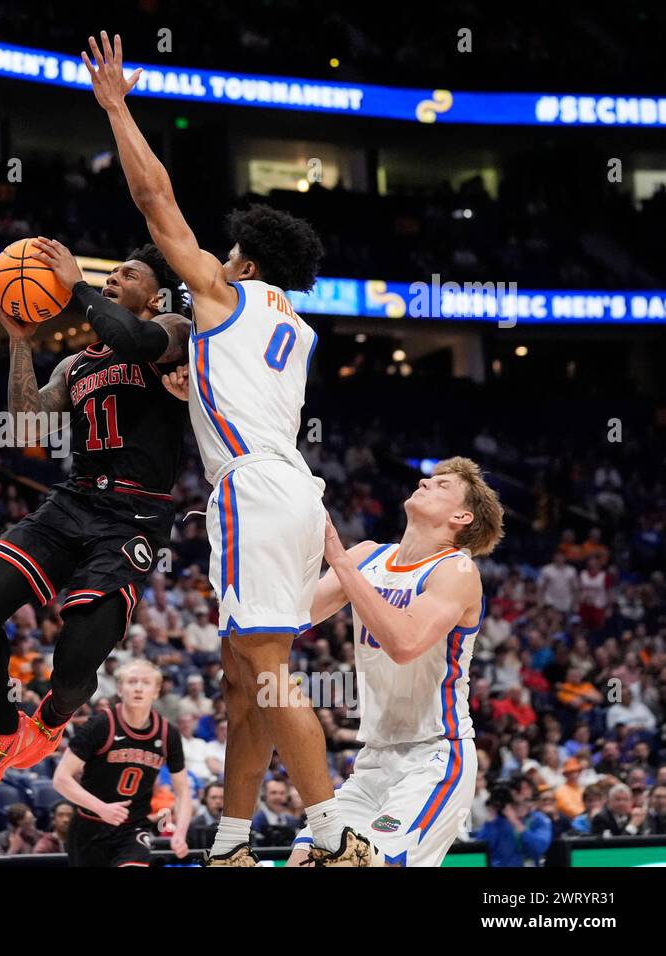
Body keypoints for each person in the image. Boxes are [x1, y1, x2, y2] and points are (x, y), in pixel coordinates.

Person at [82, 33, 358, 865]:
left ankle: (334, 834)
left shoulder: (220, 289)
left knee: (268, 673)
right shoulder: (298, 329)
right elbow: (232, 383)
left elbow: (154, 199)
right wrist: (194, 382)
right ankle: (234, 843)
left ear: (241, 258)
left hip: (252, 490)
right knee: (243, 677)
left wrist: (117, 109)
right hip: (292, 492)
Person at [0, 233, 190, 802]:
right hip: (75, 499)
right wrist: (19, 343)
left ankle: (54, 716)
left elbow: (129, 338)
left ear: (155, 298)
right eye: (111, 275)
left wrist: (78, 283)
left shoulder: (175, 333)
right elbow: (27, 424)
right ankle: (3, 729)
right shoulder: (77, 364)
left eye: (127, 275)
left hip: (133, 515)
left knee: (79, 651)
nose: (114, 279)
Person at [286, 459, 505, 867]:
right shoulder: (368, 556)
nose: (424, 481)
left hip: (435, 758)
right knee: (305, 860)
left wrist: (341, 560)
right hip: (372, 759)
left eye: (441, 485)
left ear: (462, 516)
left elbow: (404, 642)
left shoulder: (456, 570)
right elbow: (290, 617)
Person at [53, 659, 190, 866]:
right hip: (90, 825)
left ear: (156, 691)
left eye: (145, 682)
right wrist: (102, 808)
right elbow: (61, 779)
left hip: (133, 829)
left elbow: (182, 791)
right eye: (132, 681)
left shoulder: (168, 734)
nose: (138, 688)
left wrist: (180, 832)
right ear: (119, 688)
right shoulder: (101, 725)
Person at [472, 780, 552, 867]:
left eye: (525, 789)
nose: (521, 794)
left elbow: (539, 848)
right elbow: (480, 850)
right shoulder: (497, 821)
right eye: (517, 790)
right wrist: (491, 820)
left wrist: (516, 823)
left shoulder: (538, 819)